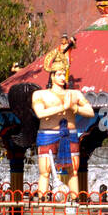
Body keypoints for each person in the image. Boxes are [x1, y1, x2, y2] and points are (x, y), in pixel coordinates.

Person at [31, 65, 95, 194]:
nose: (62, 78)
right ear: (52, 76)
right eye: (59, 74)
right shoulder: (40, 94)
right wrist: (63, 107)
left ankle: (74, 200)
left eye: (64, 74)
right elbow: (40, 113)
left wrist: (74, 108)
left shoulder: (74, 94)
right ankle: (43, 202)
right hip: (48, 135)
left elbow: (90, 112)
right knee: (45, 171)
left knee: (73, 170)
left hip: (70, 135)